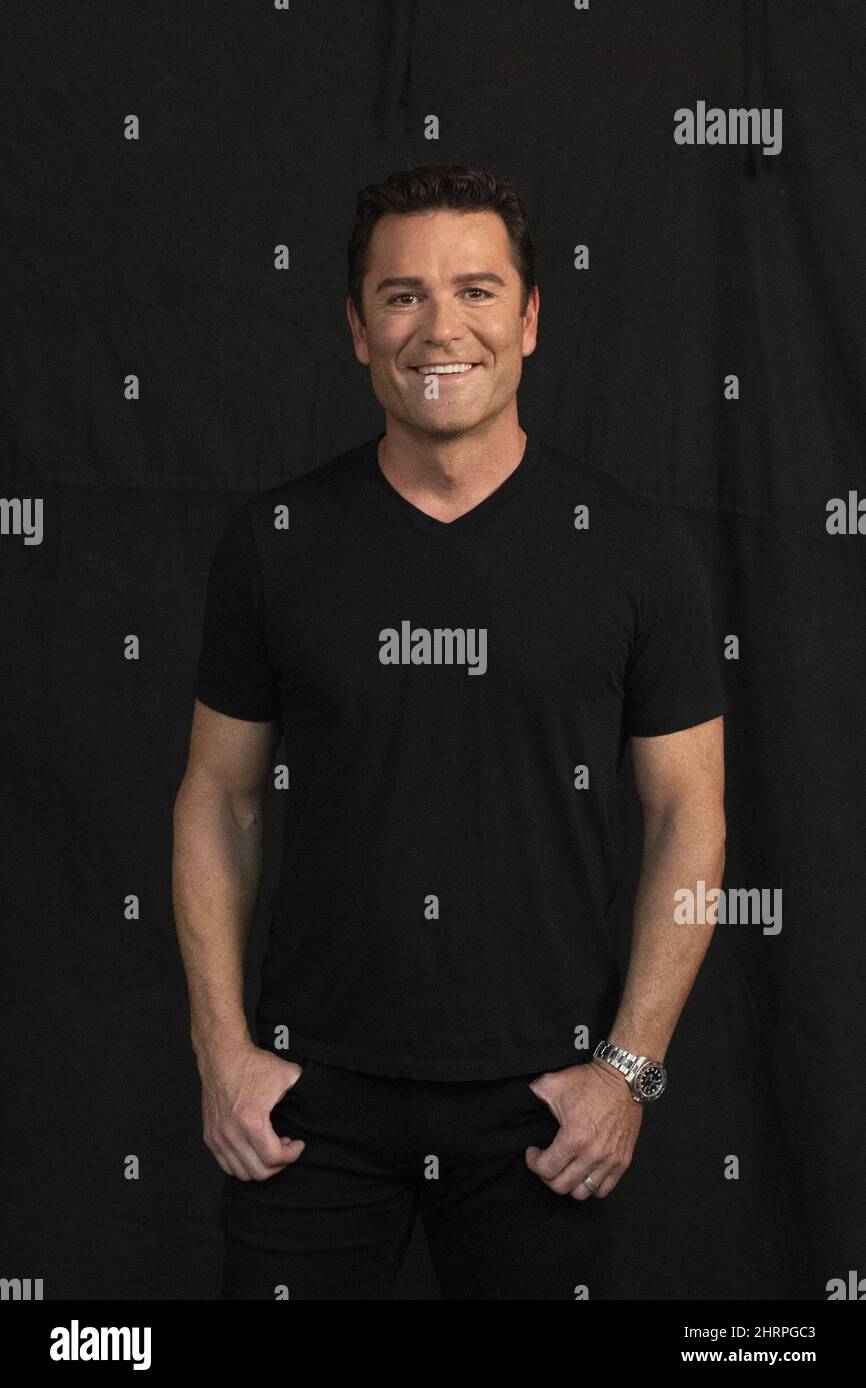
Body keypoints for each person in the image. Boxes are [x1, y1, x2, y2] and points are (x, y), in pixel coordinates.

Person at [172, 163, 727, 1300]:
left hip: (546, 1108)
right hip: (306, 1102)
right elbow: (216, 799)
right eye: (401, 294)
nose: (440, 328)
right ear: (356, 326)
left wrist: (627, 1072)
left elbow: (689, 813)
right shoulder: (276, 539)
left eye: (476, 291)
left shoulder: (633, 549)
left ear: (527, 318)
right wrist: (221, 1053)